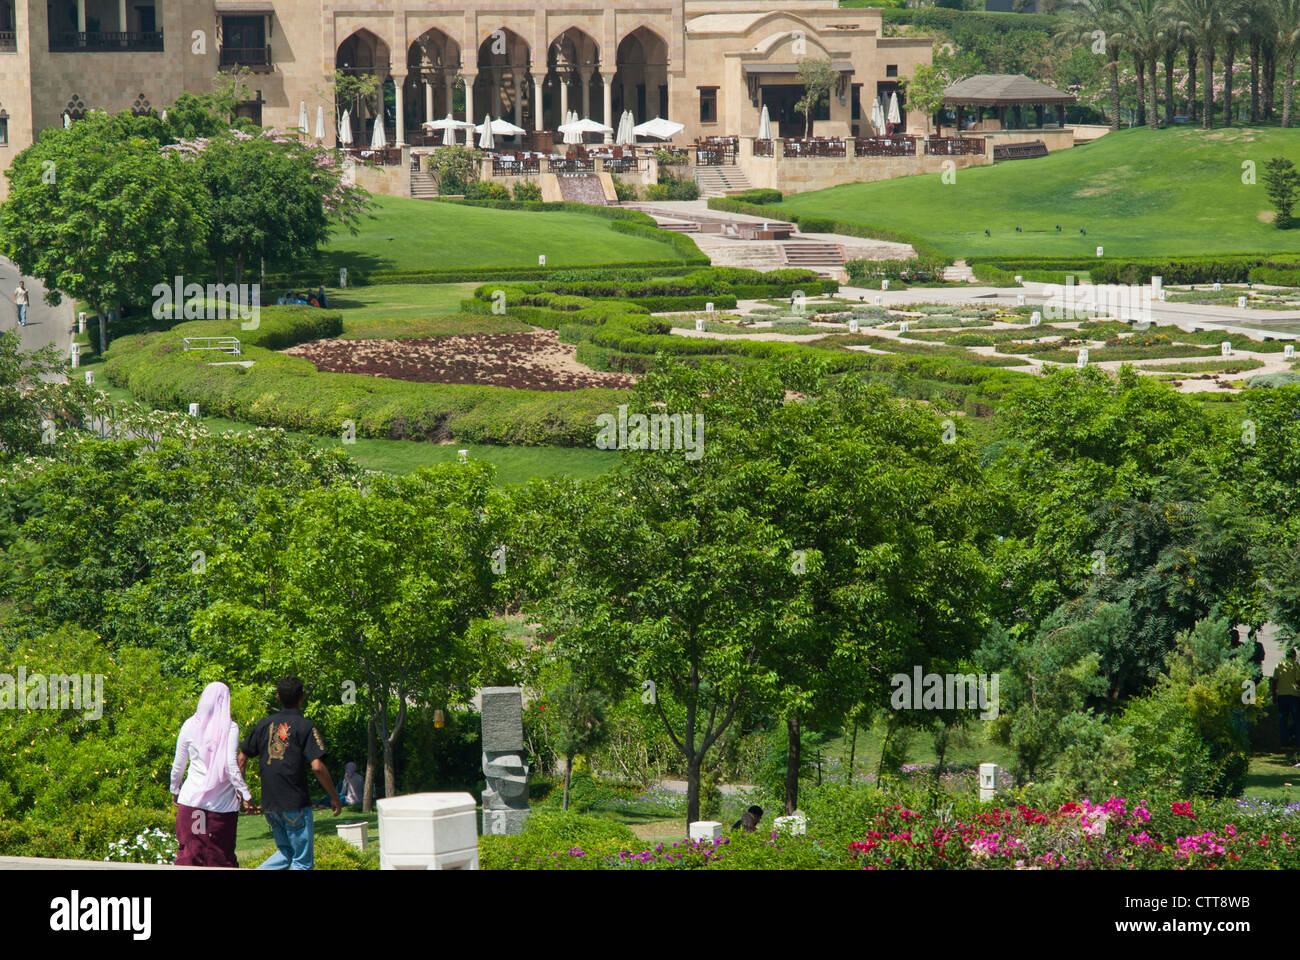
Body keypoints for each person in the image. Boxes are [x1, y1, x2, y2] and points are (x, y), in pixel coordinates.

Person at [238, 676, 341, 870]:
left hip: (271, 804)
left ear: (277, 697)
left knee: (286, 853)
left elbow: (242, 757)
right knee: (302, 862)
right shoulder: (306, 726)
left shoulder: (263, 724)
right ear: (302, 698)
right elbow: (317, 766)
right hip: (294, 803)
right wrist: (334, 796)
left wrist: (245, 795)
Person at [169, 681, 254, 868]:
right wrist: (246, 795)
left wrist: (175, 788)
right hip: (221, 806)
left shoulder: (190, 725)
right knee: (220, 857)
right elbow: (231, 765)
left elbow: (179, 764)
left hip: (191, 802)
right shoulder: (230, 728)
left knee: (189, 855)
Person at [1273, 648, 1300, 765]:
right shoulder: (1295, 665)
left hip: (1282, 695)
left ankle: (1284, 741)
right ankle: (1297, 741)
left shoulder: (1279, 665)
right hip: (1294, 695)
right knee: (1297, 719)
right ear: (1294, 656)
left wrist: (1274, 694)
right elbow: (1298, 681)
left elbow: (1274, 681)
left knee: (1282, 718)